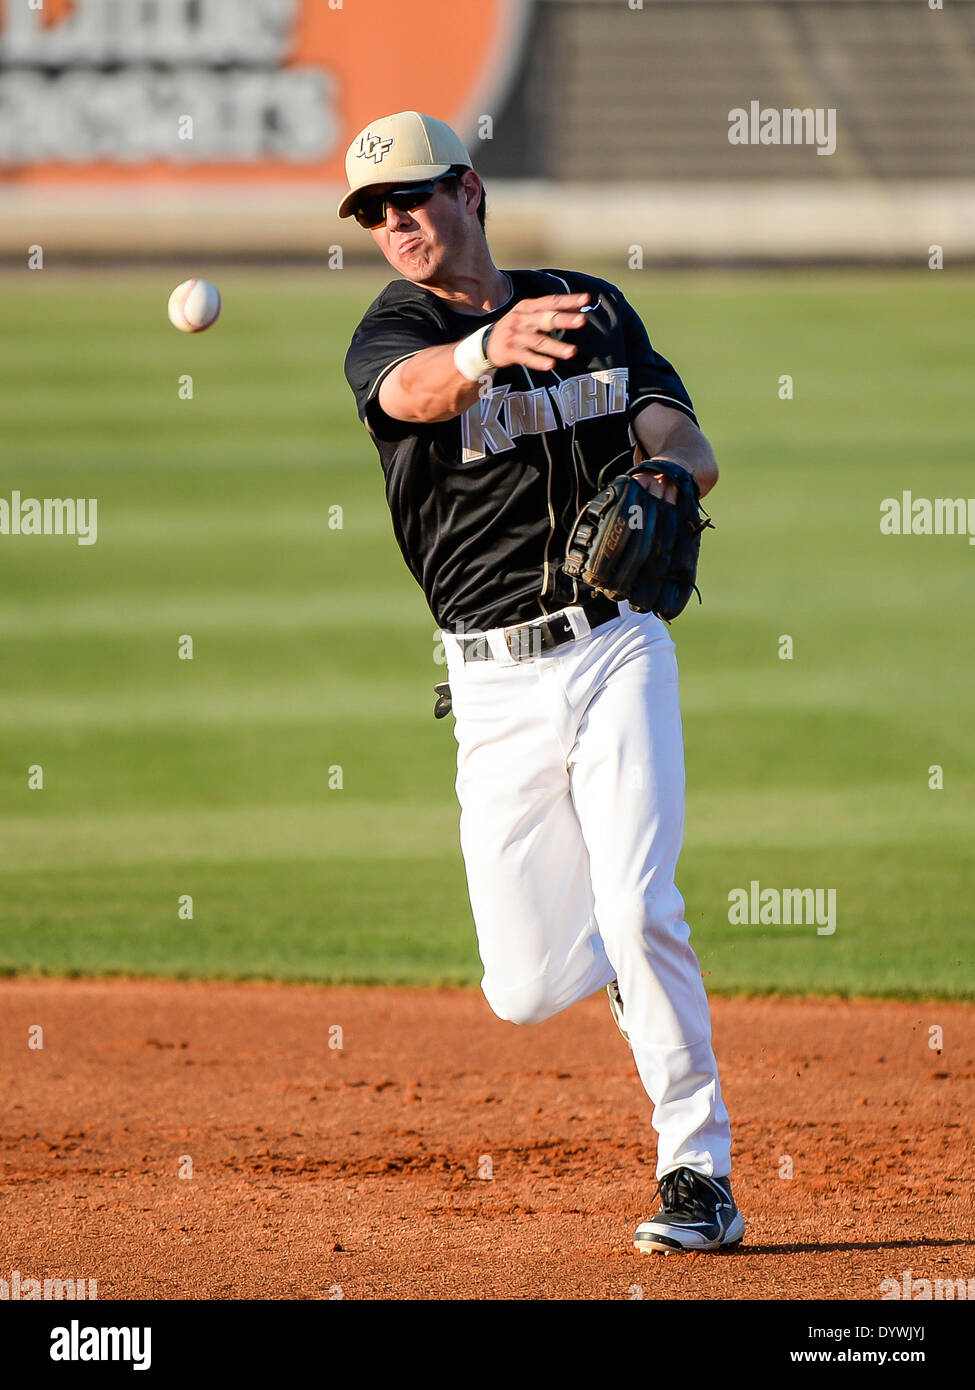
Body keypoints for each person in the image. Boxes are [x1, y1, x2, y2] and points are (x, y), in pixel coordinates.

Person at [341, 110, 745, 1254]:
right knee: (521, 985)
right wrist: (487, 350)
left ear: (469, 190)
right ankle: (625, 966)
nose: (395, 224)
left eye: (411, 197)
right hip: (492, 688)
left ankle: (697, 1173)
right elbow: (411, 395)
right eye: (373, 213)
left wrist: (666, 466)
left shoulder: (589, 307)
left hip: (617, 646)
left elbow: (684, 434)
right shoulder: (392, 330)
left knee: (638, 900)